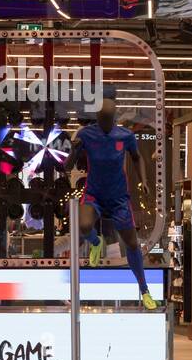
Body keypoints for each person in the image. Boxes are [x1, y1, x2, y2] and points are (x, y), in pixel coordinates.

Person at [65, 98, 157, 310]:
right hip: (94, 194)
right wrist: (74, 151)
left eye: (109, 119)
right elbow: (67, 166)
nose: (106, 123)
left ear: (114, 119)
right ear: (97, 118)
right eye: (102, 119)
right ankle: (96, 243)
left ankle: (144, 290)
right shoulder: (86, 134)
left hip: (118, 198)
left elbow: (137, 158)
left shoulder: (125, 135)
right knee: (85, 226)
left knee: (132, 244)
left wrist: (143, 180)